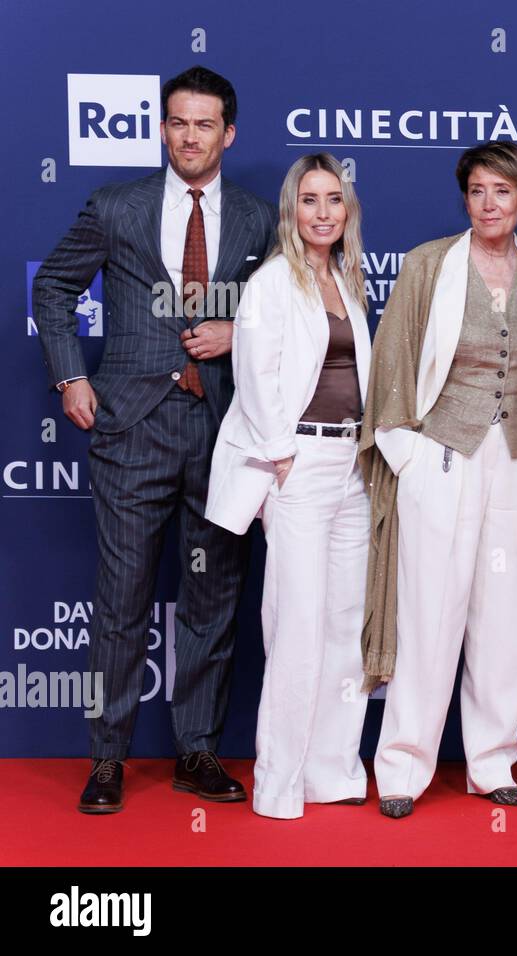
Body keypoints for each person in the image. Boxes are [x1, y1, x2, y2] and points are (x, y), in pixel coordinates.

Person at [31, 66, 276, 814]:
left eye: (203, 124)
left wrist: (243, 328)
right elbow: (54, 287)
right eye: (176, 122)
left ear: (227, 134)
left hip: (222, 432)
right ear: (161, 128)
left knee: (213, 595)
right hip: (132, 428)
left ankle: (197, 751)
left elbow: (294, 309)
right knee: (120, 600)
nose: (188, 136)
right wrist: (72, 377)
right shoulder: (116, 207)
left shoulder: (261, 219)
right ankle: (108, 757)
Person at [359, 142, 517, 818]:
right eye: (479, 190)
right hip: (442, 460)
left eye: (503, 192)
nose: (489, 204)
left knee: (506, 617)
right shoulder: (428, 265)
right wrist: (411, 458)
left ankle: (491, 762)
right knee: (429, 612)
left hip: (516, 460)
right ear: (466, 197)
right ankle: (402, 767)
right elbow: (391, 367)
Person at [205, 153, 372, 819]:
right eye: (310, 200)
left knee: (343, 626)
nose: (323, 212)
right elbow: (255, 377)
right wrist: (281, 457)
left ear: (347, 210)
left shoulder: (346, 279)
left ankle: (331, 772)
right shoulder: (275, 282)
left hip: (351, 467)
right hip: (297, 463)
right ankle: (280, 784)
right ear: (291, 210)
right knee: (297, 625)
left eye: (334, 199)